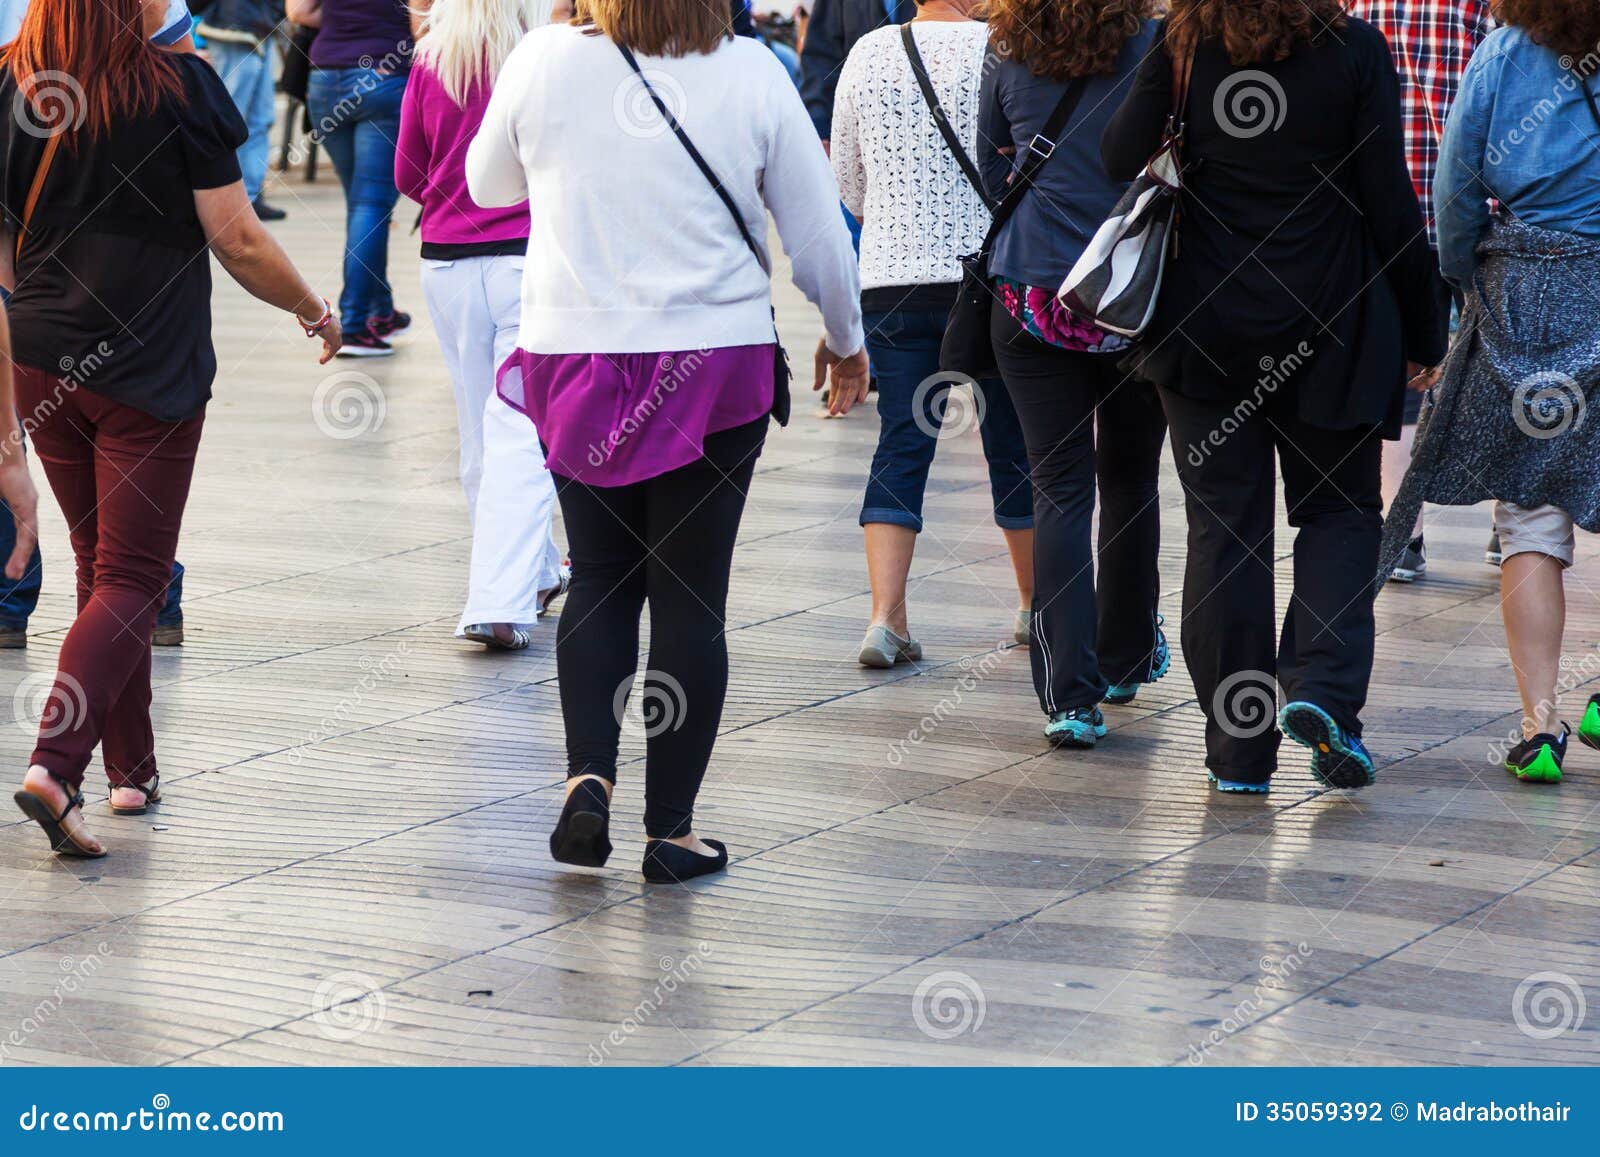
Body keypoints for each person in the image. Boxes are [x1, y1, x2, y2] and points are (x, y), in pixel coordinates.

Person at [467, 0, 865, 882]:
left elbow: (487, 184)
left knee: (602, 575)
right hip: (711, 366)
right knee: (690, 595)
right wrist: (846, 338)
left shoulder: (543, 60)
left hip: (575, 359)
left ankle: (587, 778)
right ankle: (671, 829)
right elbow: (815, 235)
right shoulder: (754, 72)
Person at [4, 0, 341, 858]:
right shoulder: (179, 86)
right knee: (136, 578)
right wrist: (313, 308)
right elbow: (237, 238)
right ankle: (54, 763)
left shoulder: (14, 81)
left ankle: (132, 769)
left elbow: (4, 244)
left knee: (103, 568)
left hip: (45, 357)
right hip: (147, 366)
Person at [1102, 0, 1446, 793]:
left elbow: (1116, 153)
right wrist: (1426, 331)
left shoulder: (1184, 41)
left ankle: (1238, 752)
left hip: (1205, 328)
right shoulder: (1357, 50)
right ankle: (1323, 692)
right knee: (1340, 513)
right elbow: (1389, 199)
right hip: (1335, 327)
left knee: (1226, 532)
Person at [1382, 0, 1600, 785]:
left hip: (1528, 294)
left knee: (1531, 517)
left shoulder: (1507, 51)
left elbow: (1455, 186)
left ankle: (1540, 729)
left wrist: (1465, 277)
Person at [981, 0, 1167, 748]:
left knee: (1059, 484)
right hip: (1132, 290)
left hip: (1030, 290)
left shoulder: (1007, 50)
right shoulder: (1156, 44)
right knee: (1130, 478)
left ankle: (1069, 696)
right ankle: (1122, 658)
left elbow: (991, 160)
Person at [830, 0, 1033, 670]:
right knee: (1013, 441)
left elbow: (849, 187)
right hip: (990, 277)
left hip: (894, 279)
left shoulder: (866, 53)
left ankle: (886, 620)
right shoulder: (1005, 48)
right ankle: (1036, 607)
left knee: (901, 441)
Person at [0, 0, 195, 650]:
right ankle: (64, 746)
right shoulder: (162, 64)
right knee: (122, 563)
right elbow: (190, 92)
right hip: (132, 312)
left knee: (101, 556)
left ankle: (9, 600)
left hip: (38, 299)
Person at [396, 0, 569, 649]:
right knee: (519, 430)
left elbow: (407, 175)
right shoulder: (542, 59)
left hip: (446, 266)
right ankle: (502, 599)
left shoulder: (430, 59)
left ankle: (537, 571)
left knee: (480, 431)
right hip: (527, 261)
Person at [1347, 0, 1494, 583]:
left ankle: (1402, 537)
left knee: (1399, 377)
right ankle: (1511, 531)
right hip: (1475, 210)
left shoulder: (1355, 5)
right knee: (1496, 371)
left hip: (1382, 218)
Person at [289, 0, 412, 357]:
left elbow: (298, 11)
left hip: (326, 79)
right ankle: (356, 325)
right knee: (370, 205)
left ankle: (380, 309)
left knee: (363, 205)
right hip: (385, 74)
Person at [195, 0, 291, 220]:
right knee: (230, 121)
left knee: (259, 118)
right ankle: (225, 199)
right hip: (236, 27)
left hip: (255, 27)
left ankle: (249, 198)